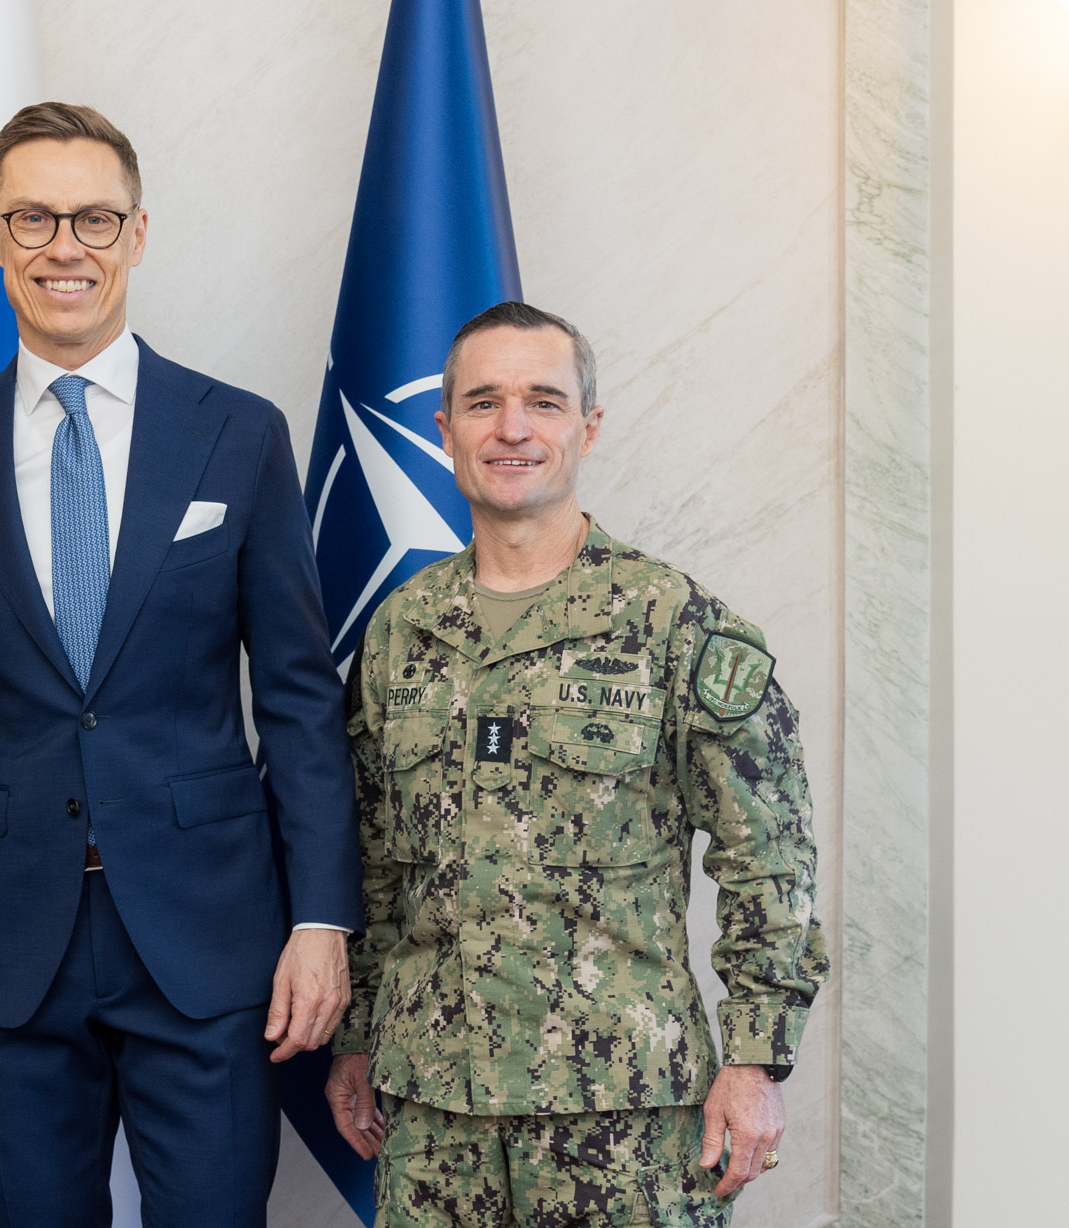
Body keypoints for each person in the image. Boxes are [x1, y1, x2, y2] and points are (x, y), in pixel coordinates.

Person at [0, 101, 361, 1228]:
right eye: (33, 218)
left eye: (93, 217)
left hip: (208, 939)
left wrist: (322, 918)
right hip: (1, 949)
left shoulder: (238, 433)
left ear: (139, 234)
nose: (64, 246)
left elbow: (297, 701)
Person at [323, 301, 829, 1226]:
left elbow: (772, 856)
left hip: (622, 1115)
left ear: (587, 427)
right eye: (482, 402)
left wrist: (755, 1058)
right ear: (445, 430)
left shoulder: (673, 623)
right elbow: (377, 864)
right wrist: (358, 1037)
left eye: (543, 401)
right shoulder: (401, 633)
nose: (512, 427)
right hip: (437, 1117)